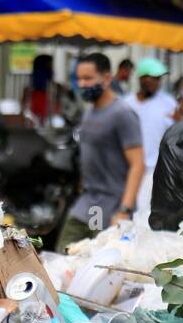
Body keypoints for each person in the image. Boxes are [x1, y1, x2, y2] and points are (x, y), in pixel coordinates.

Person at [56, 52, 144, 251]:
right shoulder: (89, 112)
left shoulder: (122, 114)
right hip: (88, 204)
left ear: (106, 79)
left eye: (88, 78)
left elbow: (137, 164)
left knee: (97, 266)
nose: (83, 84)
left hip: (109, 208)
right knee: (66, 257)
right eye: (79, 79)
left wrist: (124, 210)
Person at [121, 57, 176, 214]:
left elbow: (175, 134)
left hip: (153, 168)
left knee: (144, 212)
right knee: (126, 211)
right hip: (128, 168)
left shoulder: (168, 103)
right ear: (142, 79)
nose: (157, 82)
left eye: (159, 79)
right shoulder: (126, 104)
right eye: (154, 78)